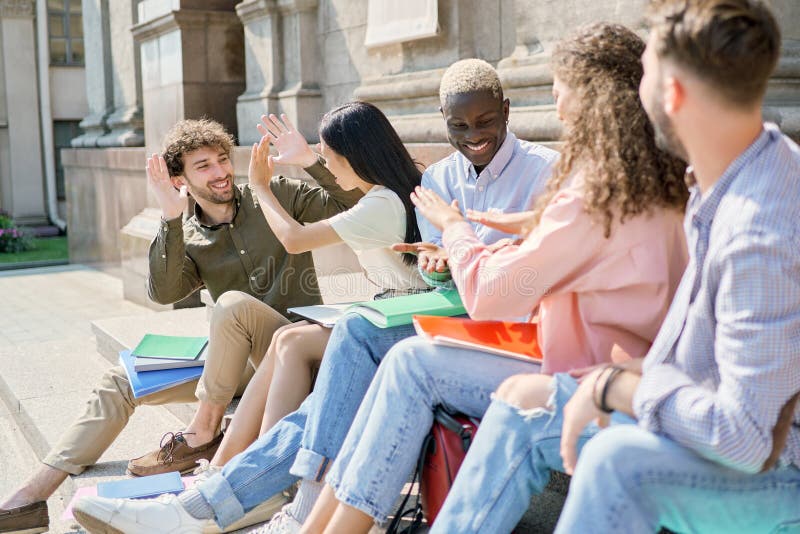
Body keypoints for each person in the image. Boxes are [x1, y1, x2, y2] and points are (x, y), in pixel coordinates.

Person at [70, 58, 558, 534]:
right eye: (459, 124)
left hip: (495, 334)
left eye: (485, 121)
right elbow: (166, 291)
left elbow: (510, 285)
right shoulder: (439, 179)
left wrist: (457, 241)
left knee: (338, 343)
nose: (473, 134)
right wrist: (442, 260)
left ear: (508, 109)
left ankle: (238, 496)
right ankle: (217, 494)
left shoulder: (545, 172)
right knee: (323, 364)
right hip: (432, 318)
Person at [301, 22, 689, 533]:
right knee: (397, 356)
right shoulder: (654, 177)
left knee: (410, 364)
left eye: (559, 89)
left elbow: (491, 295)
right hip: (609, 362)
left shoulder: (593, 189)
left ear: (591, 99)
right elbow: (586, 249)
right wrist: (519, 231)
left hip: (589, 375)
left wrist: (458, 229)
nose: (556, 104)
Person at [430, 1, 800, 533]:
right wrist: (609, 377)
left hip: (776, 470)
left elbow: (744, 437)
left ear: (670, 95)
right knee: (525, 403)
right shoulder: (735, 176)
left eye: (643, 73)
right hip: (730, 430)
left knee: (613, 462)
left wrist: (613, 388)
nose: (631, 94)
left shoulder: (755, 230)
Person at [0, 118, 361, 534]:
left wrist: (311, 161)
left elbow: (351, 205)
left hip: (289, 353)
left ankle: (204, 430)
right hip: (236, 366)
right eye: (203, 165)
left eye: (223, 160)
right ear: (180, 179)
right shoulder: (186, 231)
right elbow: (164, 291)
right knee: (122, 379)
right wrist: (170, 218)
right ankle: (31, 496)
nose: (221, 172)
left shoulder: (277, 193)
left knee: (232, 305)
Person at [203, 102, 428, 469]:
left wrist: (260, 188)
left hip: (405, 323)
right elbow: (347, 198)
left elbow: (294, 239)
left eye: (328, 155)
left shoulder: (381, 204)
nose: (325, 162)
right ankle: (224, 467)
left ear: (355, 156)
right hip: (392, 312)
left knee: (292, 341)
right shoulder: (390, 190)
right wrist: (307, 159)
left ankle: (262, 470)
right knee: (284, 339)